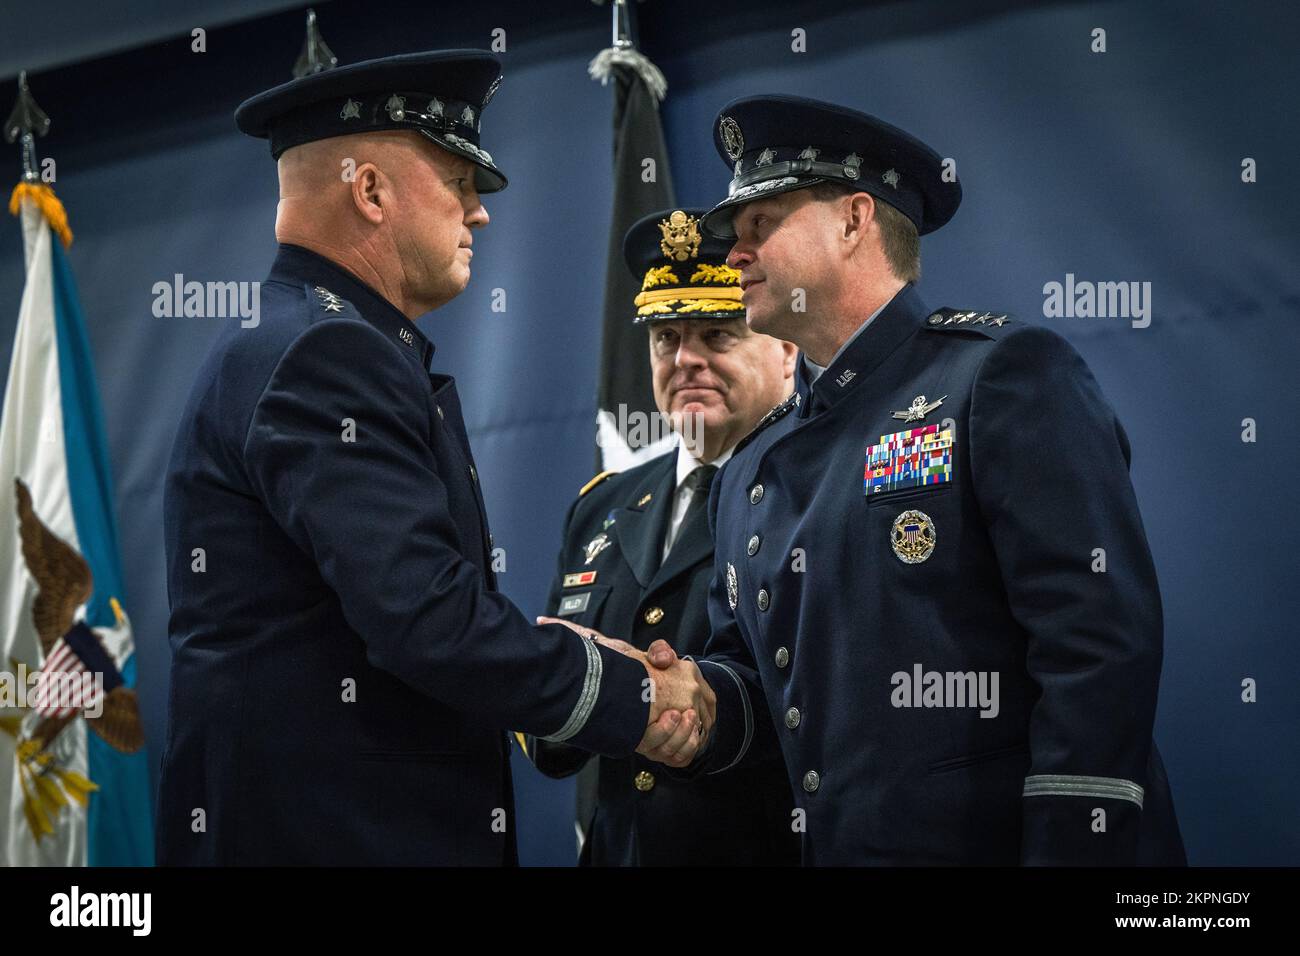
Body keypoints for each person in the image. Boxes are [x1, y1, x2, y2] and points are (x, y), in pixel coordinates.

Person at [575, 94, 1187, 866]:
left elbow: (1097, 651)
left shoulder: (998, 377)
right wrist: (687, 699)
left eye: (760, 224)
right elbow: (759, 691)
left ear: (855, 219)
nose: (732, 254)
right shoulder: (755, 462)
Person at [155, 50, 712, 865]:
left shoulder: (296, 336)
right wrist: (633, 692)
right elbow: (430, 624)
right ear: (370, 191)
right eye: (458, 181)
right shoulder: (330, 351)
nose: (478, 213)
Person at [524, 208, 800, 865]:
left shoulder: (816, 488)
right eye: (665, 337)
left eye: (716, 333)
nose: (685, 361)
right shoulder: (602, 508)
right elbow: (552, 740)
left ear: (786, 348)